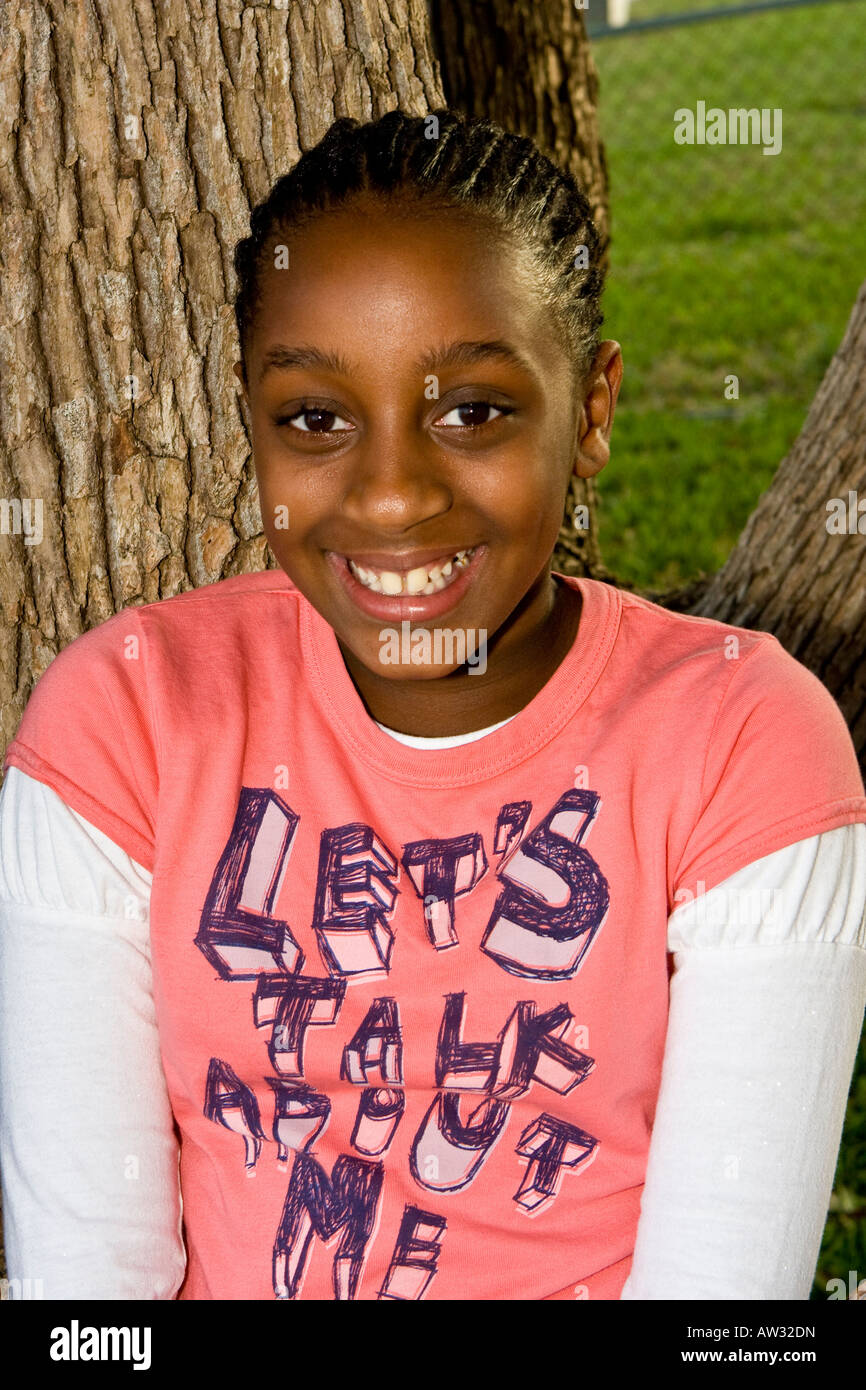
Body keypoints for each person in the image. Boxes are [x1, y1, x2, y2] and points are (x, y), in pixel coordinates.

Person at [1, 109, 864, 1302]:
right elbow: (85, 1299)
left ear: (593, 410)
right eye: (316, 419)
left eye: (470, 411)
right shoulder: (127, 720)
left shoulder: (739, 741)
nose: (394, 496)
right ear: (252, 418)